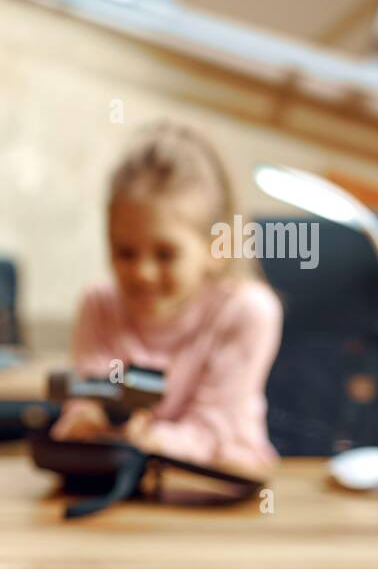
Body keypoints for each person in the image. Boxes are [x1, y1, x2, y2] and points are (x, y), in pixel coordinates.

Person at [53, 123, 282, 475]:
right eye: (125, 252)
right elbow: (89, 401)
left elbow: (214, 432)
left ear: (217, 248)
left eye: (165, 254)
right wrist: (85, 420)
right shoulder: (98, 304)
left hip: (217, 496)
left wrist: (145, 441)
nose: (142, 272)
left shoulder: (247, 312)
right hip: (121, 497)